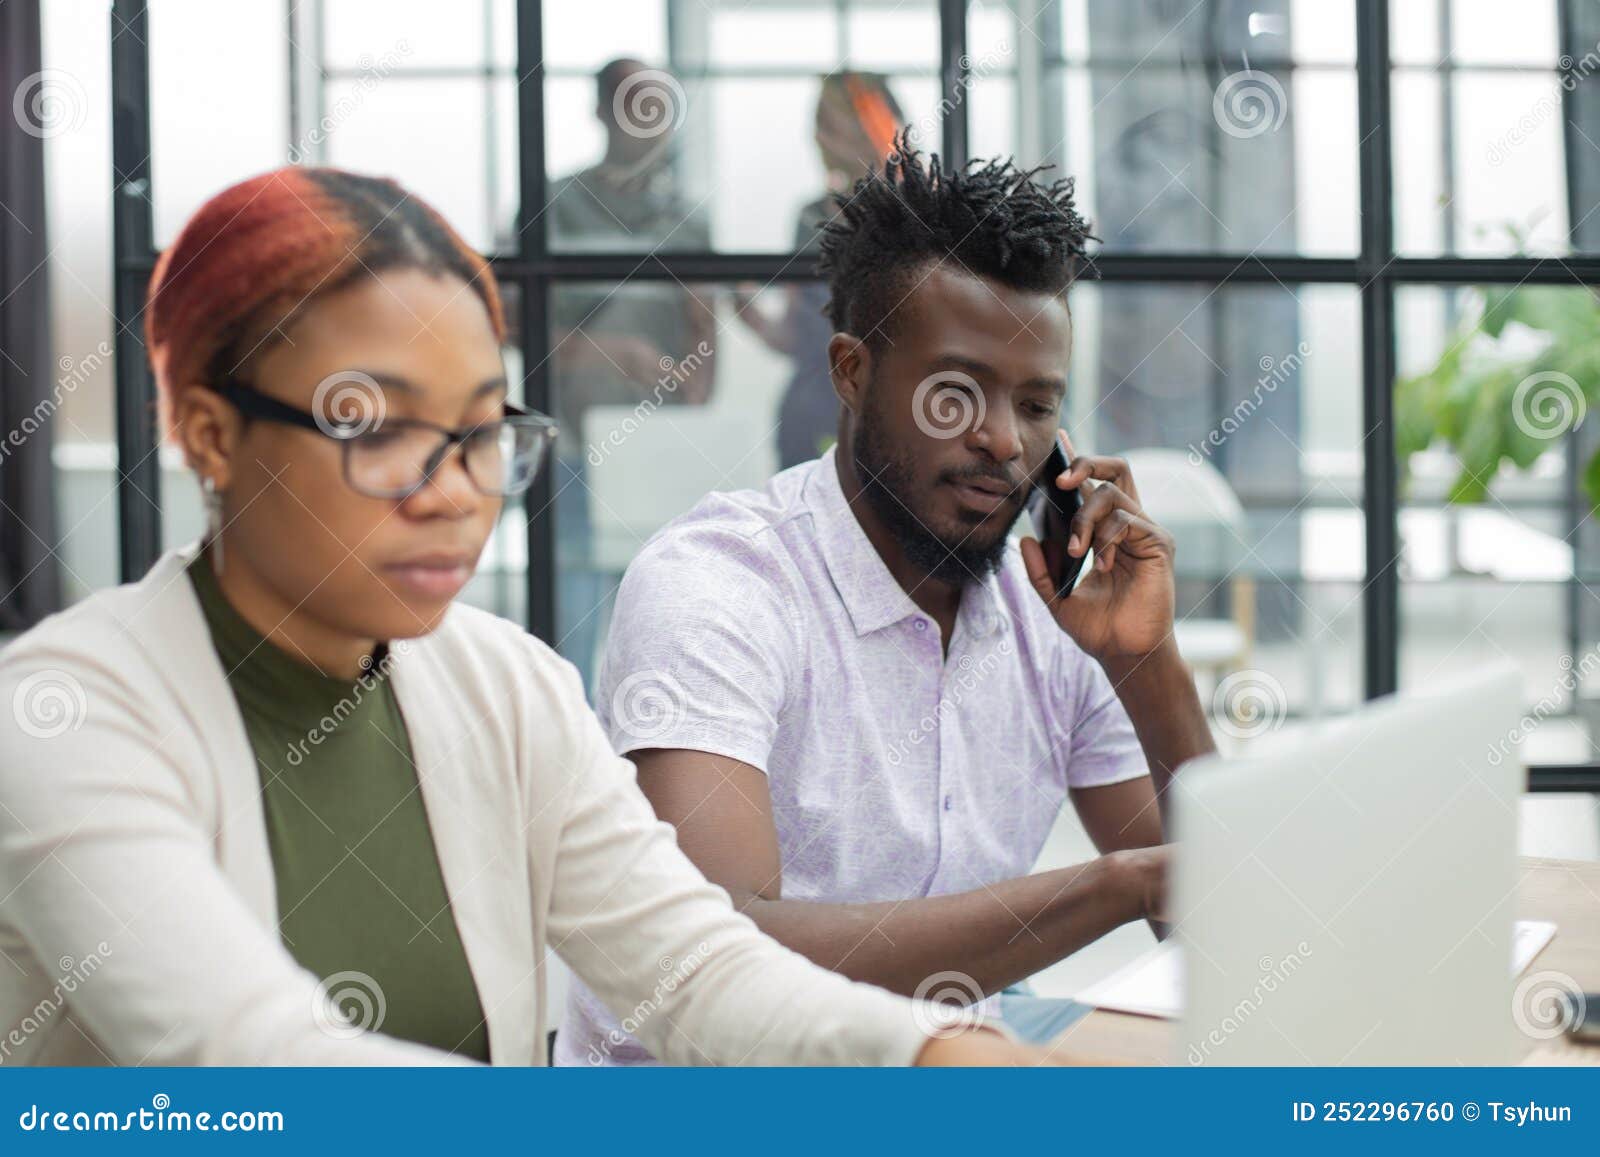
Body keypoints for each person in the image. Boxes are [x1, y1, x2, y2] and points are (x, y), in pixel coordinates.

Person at [0, 166, 1052, 1067]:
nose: (455, 489)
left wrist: (922, 1047)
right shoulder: (65, 715)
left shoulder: (507, 685)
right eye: (376, 423)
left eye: (478, 431)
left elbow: (689, 967)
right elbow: (259, 1063)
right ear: (209, 433)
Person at [557, 137, 1214, 1065]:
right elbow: (722, 958)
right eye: (957, 392)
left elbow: (1213, 915)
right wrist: (1113, 886)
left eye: (1034, 406)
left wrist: (1145, 663)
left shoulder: (1050, 598)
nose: (999, 440)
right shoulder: (719, 584)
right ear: (851, 373)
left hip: (947, 1058)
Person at [544, 58, 716, 691]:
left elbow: (704, 326)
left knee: (663, 625)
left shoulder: (688, 219)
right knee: (570, 624)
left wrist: (695, 391)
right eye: (634, 103)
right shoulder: (554, 208)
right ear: (601, 112)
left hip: (657, 453)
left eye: (661, 105)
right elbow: (516, 327)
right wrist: (607, 352)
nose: (651, 122)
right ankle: (566, 768)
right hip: (571, 449)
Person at [735, 72, 904, 469]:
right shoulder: (810, 216)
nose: (818, 138)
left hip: (891, 410)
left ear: (867, 126)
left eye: (828, 124)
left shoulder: (914, 211)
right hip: (812, 411)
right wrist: (749, 312)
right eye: (816, 125)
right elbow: (797, 337)